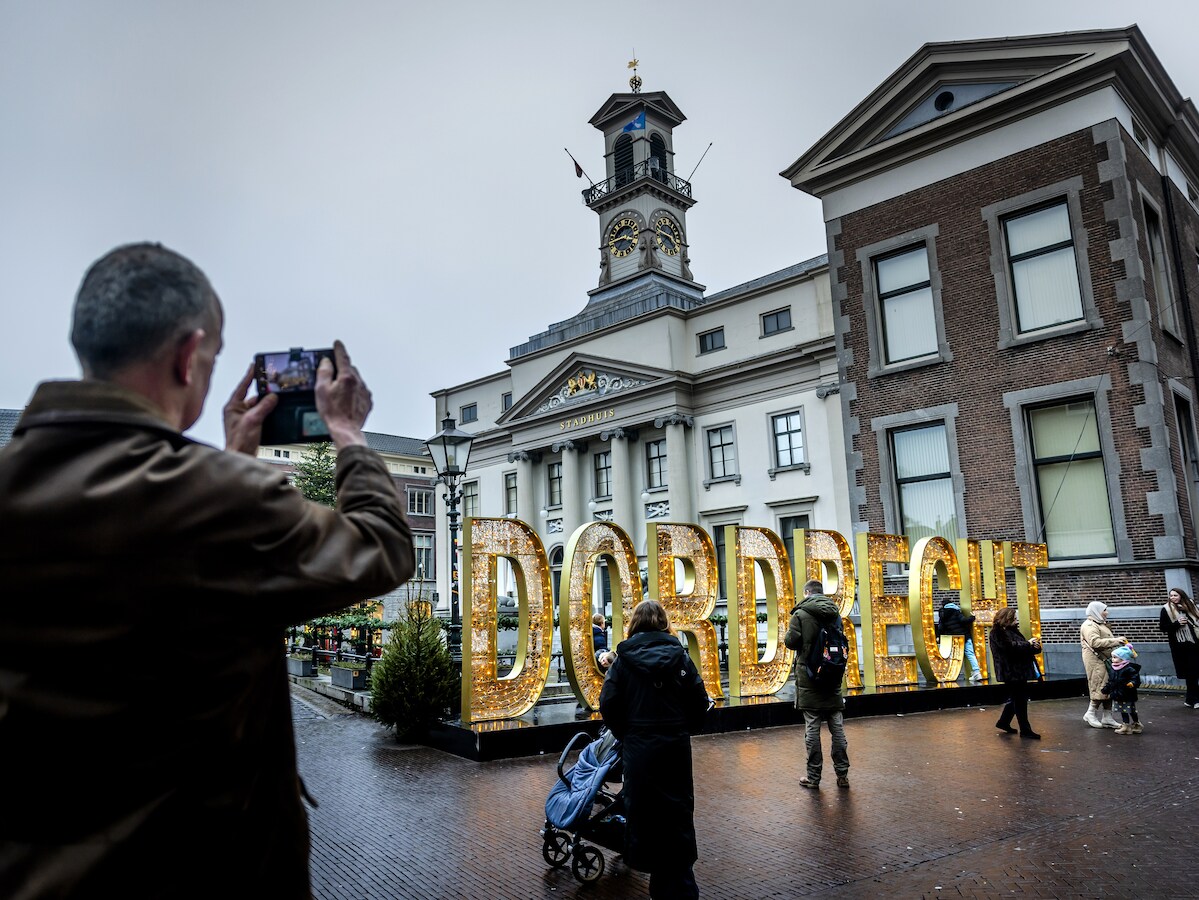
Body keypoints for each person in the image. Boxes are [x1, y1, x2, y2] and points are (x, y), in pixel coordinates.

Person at [0, 243, 414, 898]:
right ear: (188, 356)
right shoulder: (224, 501)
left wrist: (233, 463)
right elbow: (383, 546)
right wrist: (347, 434)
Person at [600, 600, 709, 899]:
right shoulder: (680, 658)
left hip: (639, 748)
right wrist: (684, 727)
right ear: (663, 622)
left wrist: (627, 733)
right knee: (677, 811)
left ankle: (660, 885)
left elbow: (608, 704)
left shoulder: (622, 662)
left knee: (646, 812)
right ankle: (681, 885)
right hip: (674, 747)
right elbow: (699, 702)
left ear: (634, 623)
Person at [784, 578, 850, 789]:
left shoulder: (800, 614)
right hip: (832, 673)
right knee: (837, 727)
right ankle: (842, 775)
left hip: (810, 676)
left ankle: (813, 777)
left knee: (812, 728)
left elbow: (791, 642)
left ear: (807, 593)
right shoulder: (835, 613)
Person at [989, 606, 1043, 739]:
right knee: (1020, 700)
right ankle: (1025, 730)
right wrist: (1028, 644)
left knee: (1017, 698)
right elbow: (1008, 648)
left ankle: (1004, 722)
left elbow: (1020, 647)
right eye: (1014, 618)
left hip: (1018, 670)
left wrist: (1034, 647)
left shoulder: (1012, 630)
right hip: (1010, 671)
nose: (1016, 621)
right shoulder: (997, 632)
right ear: (1006, 619)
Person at [1081, 601, 1129, 728]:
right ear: (1096, 611)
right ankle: (1090, 713)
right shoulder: (1089, 625)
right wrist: (1115, 641)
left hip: (1105, 660)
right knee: (1099, 686)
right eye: (1104, 610)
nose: (1107, 612)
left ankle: (1107, 716)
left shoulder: (1099, 624)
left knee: (1109, 686)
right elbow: (1095, 642)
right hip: (1097, 661)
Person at [1158, 587, 1199, 708]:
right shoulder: (1166, 609)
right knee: (1191, 673)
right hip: (1180, 646)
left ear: (1181, 595)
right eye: (1171, 595)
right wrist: (1177, 624)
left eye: (1175, 595)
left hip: (1195, 642)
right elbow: (1163, 627)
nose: (1173, 598)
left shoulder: (1190, 605)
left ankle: (1190, 699)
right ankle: (1194, 700)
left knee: (1195, 672)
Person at [1102, 645, 1143, 734]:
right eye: (1112, 657)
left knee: (1130, 710)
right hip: (1118, 694)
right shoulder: (1113, 669)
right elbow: (1111, 681)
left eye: (1115, 657)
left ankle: (1136, 723)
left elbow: (1135, 678)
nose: (1113, 659)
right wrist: (1106, 689)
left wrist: (1132, 683)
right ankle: (1126, 725)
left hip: (1127, 694)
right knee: (1123, 711)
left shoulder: (1129, 668)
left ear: (1122, 658)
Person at [937, 598, 981, 682]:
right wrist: (972, 617)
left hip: (953, 638)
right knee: (970, 654)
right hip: (964, 635)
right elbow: (963, 620)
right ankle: (977, 672)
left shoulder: (942, 614)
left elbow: (940, 627)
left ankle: (950, 674)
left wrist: (938, 636)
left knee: (952, 656)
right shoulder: (956, 611)